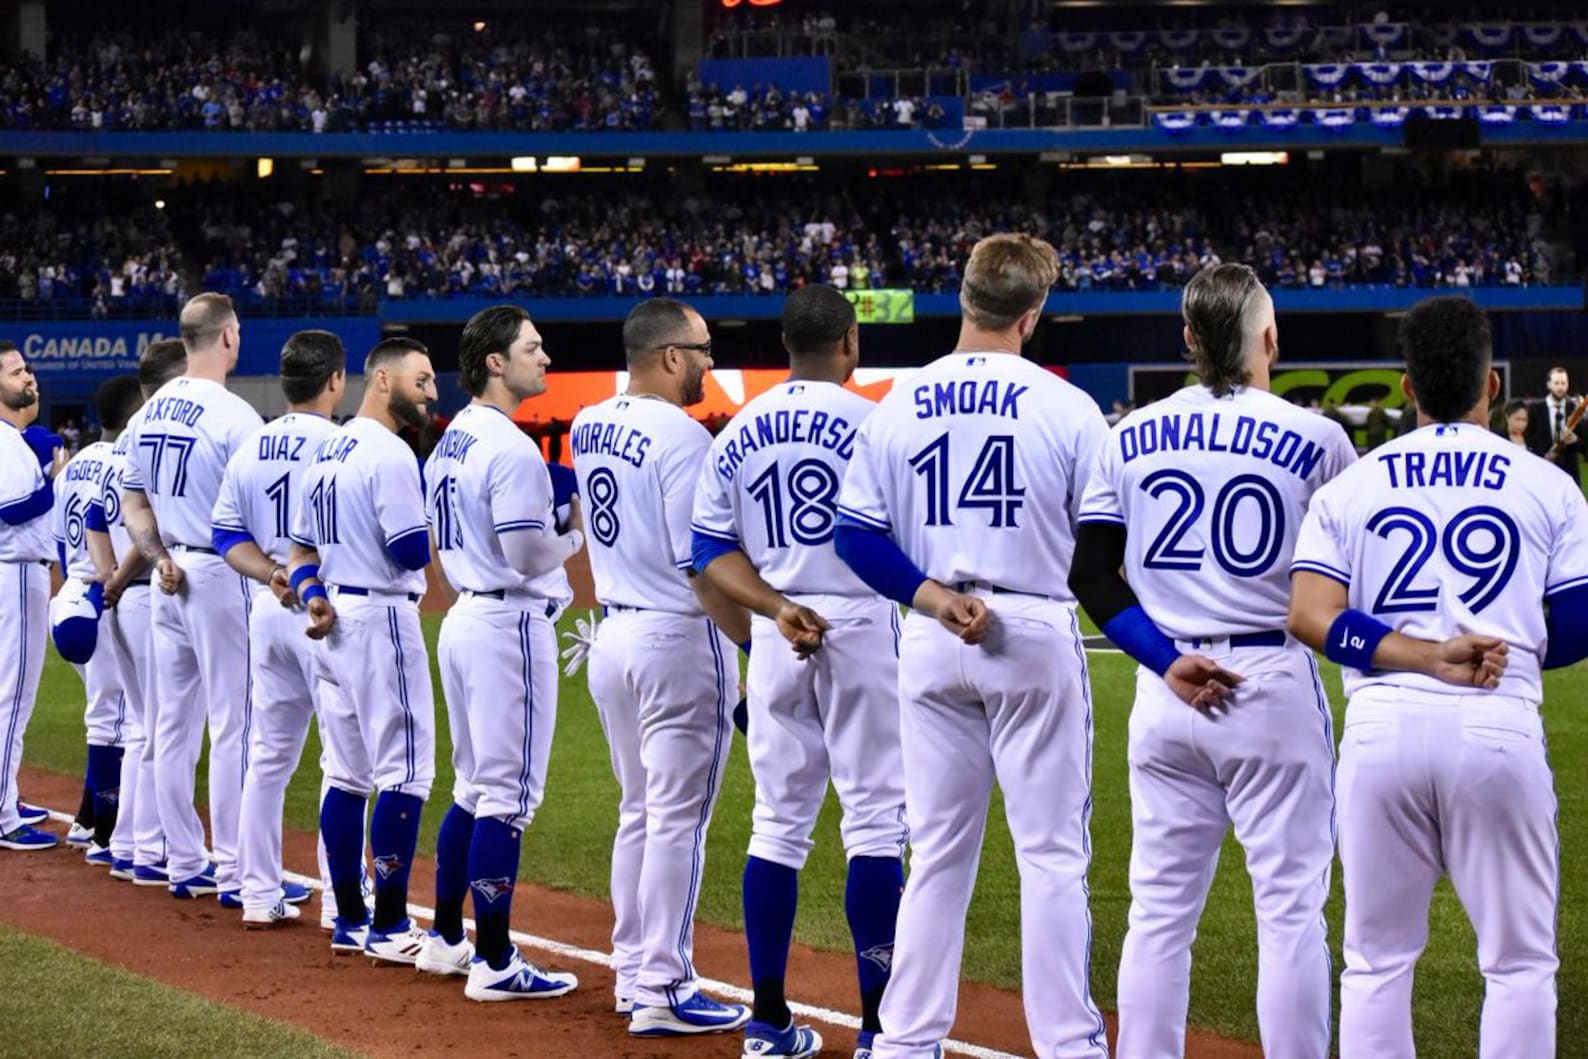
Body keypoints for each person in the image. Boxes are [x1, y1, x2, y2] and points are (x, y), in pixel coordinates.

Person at [833, 233, 1110, 1058]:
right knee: (1051, 854)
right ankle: (1068, 1044)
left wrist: (937, 600)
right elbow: (1104, 545)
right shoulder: (1067, 405)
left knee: (936, 852)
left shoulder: (899, 401)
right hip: (1031, 628)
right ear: (1032, 314)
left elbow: (855, 536)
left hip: (930, 630)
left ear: (964, 298)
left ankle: (904, 1040)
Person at [1069, 263, 1357, 1059]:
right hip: (1271, 683)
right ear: (1270, 339)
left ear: (1189, 337)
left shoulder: (1129, 433)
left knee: (1159, 914)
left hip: (1168, 688)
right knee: (1290, 911)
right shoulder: (1319, 439)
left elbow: (1091, 573)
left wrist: (1166, 660)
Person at [1290, 295, 1575, 1058]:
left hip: (1380, 729)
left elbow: (1312, 616)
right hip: (1497, 722)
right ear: (1492, 385)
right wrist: (1509, 648)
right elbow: (1579, 619)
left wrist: (1411, 650)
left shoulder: (1352, 485)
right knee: (1518, 964)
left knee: (1375, 963)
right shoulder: (1546, 484)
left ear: (1407, 385)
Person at [690, 285, 906, 1059]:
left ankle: (768, 1020)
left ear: (786, 345)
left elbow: (708, 554)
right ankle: (879, 1028)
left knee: (777, 825)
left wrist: (775, 611)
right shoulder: (878, 422)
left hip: (778, 628)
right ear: (849, 343)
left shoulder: (738, 430)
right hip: (863, 623)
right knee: (875, 820)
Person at [568, 297, 753, 1034]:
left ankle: (631, 971)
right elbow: (700, 565)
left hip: (611, 633)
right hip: (676, 637)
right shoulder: (683, 436)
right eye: (703, 349)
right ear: (671, 355)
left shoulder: (588, 422)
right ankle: (664, 986)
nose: (710, 362)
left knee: (639, 812)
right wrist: (752, 643)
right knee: (677, 820)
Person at [422, 305, 583, 1000]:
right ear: (495, 361)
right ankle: (493, 960)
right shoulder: (510, 447)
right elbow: (526, 554)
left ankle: (445, 938)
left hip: (466, 614)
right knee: (508, 796)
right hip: (507, 621)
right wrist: (575, 533)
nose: (544, 358)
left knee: (473, 787)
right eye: (531, 347)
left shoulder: (453, 436)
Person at [287, 337, 440, 965]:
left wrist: (313, 596)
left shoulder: (327, 449)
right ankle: (391, 925)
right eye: (421, 380)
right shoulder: (390, 452)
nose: (431, 393)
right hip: (381, 618)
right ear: (381, 380)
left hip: (334, 618)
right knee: (406, 773)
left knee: (347, 774)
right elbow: (410, 551)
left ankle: (350, 918)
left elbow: (300, 552)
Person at [120, 294, 264, 899]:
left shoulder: (147, 412)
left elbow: (132, 503)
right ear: (226, 336)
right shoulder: (236, 416)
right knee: (233, 725)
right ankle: (234, 868)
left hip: (167, 572)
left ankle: (183, 862)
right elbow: (259, 518)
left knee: (171, 725)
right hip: (220, 572)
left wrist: (158, 559)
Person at [212, 330, 347, 927]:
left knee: (267, 757)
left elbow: (225, 536)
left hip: (270, 607)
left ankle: (258, 893)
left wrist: (272, 573)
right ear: (335, 381)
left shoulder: (252, 446)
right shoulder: (342, 445)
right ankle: (342, 901)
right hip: (328, 610)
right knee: (343, 761)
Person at [90, 339, 187, 884]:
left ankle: (128, 842)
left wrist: (109, 578)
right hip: (147, 588)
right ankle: (152, 848)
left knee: (143, 726)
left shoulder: (125, 439)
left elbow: (99, 519)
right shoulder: (157, 433)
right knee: (162, 726)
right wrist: (122, 576)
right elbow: (149, 523)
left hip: (125, 595)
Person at [51, 377, 132, 864]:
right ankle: (106, 834)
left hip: (71, 599)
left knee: (106, 713)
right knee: (113, 720)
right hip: (106, 596)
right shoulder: (125, 463)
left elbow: (62, 547)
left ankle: (85, 818)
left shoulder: (73, 466)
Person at [0, 343, 58, 851]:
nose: (28, 377)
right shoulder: (3, 441)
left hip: (18, 573)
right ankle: (3, 816)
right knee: (13, 698)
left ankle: (7, 796)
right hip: (15, 573)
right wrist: (52, 476)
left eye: (27, 369)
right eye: (16, 372)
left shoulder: (12, 438)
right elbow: (15, 509)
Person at [1525, 365, 1581, 480]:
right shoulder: (1535, 410)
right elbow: (1528, 438)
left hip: (1570, 472)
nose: (1560, 387)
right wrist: (1542, 455)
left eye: (1563, 383)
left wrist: (1576, 440)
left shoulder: (1574, 409)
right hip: (1544, 469)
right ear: (1549, 384)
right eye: (1556, 383)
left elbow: (1584, 444)